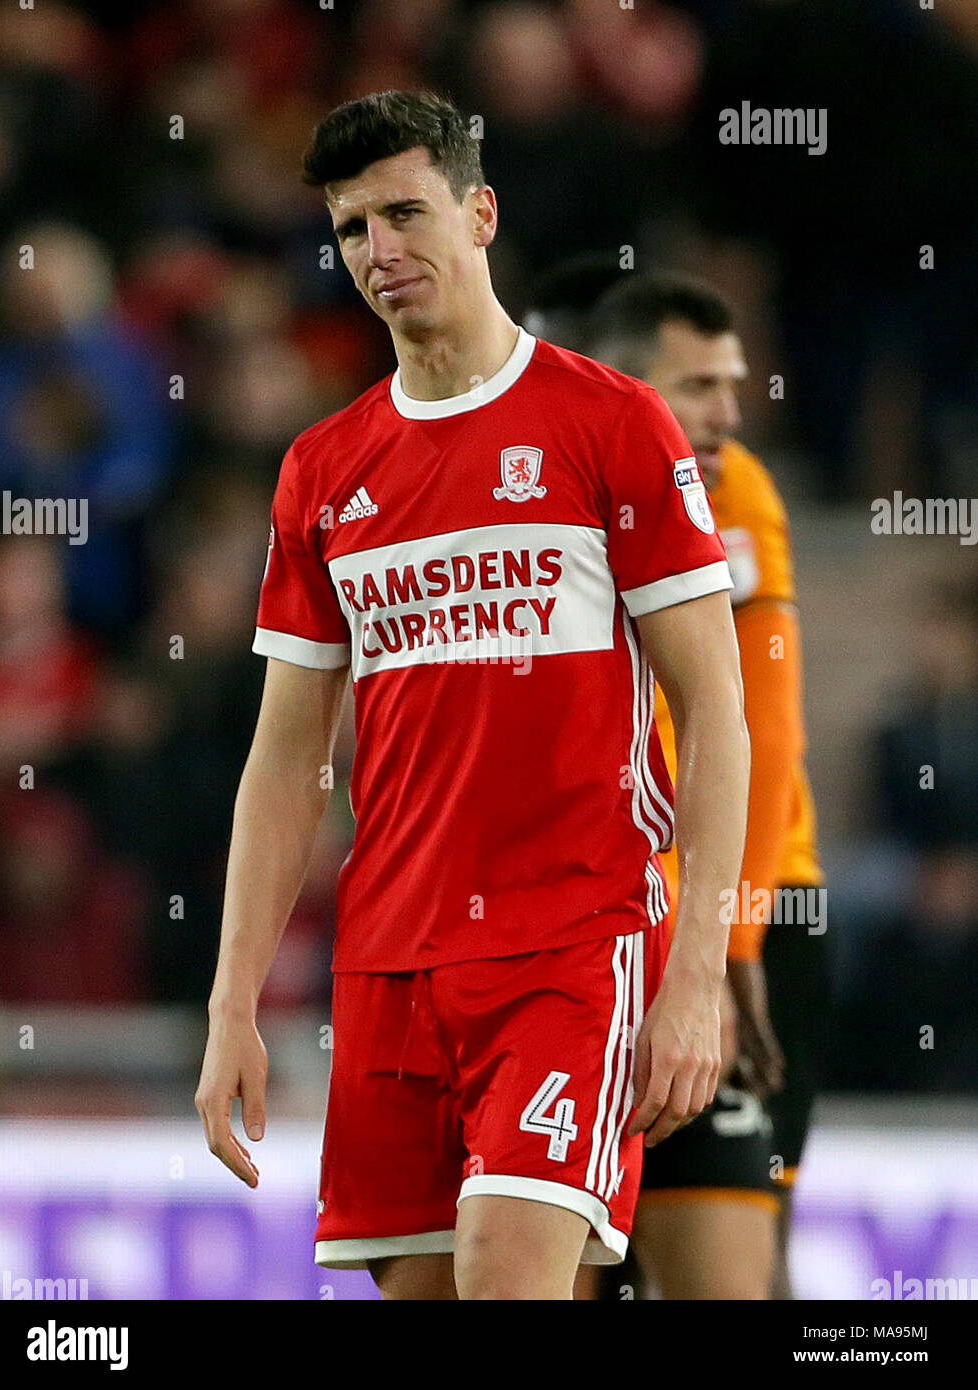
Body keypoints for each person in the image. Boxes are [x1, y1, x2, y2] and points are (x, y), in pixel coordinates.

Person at [195, 91, 750, 1302]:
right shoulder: (322, 472)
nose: (379, 253)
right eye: (350, 230)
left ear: (480, 213)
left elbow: (714, 710)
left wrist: (695, 974)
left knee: (509, 1275)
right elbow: (285, 763)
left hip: (569, 941)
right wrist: (231, 1000)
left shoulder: (608, 424)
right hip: (390, 964)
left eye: (404, 213)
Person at [582, 271, 826, 1300]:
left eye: (731, 383)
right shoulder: (553, 492)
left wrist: (726, 948)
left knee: (740, 1245)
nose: (729, 412)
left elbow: (760, 738)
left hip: (755, 902)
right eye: (698, 386)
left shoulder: (731, 495)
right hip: (598, 915)